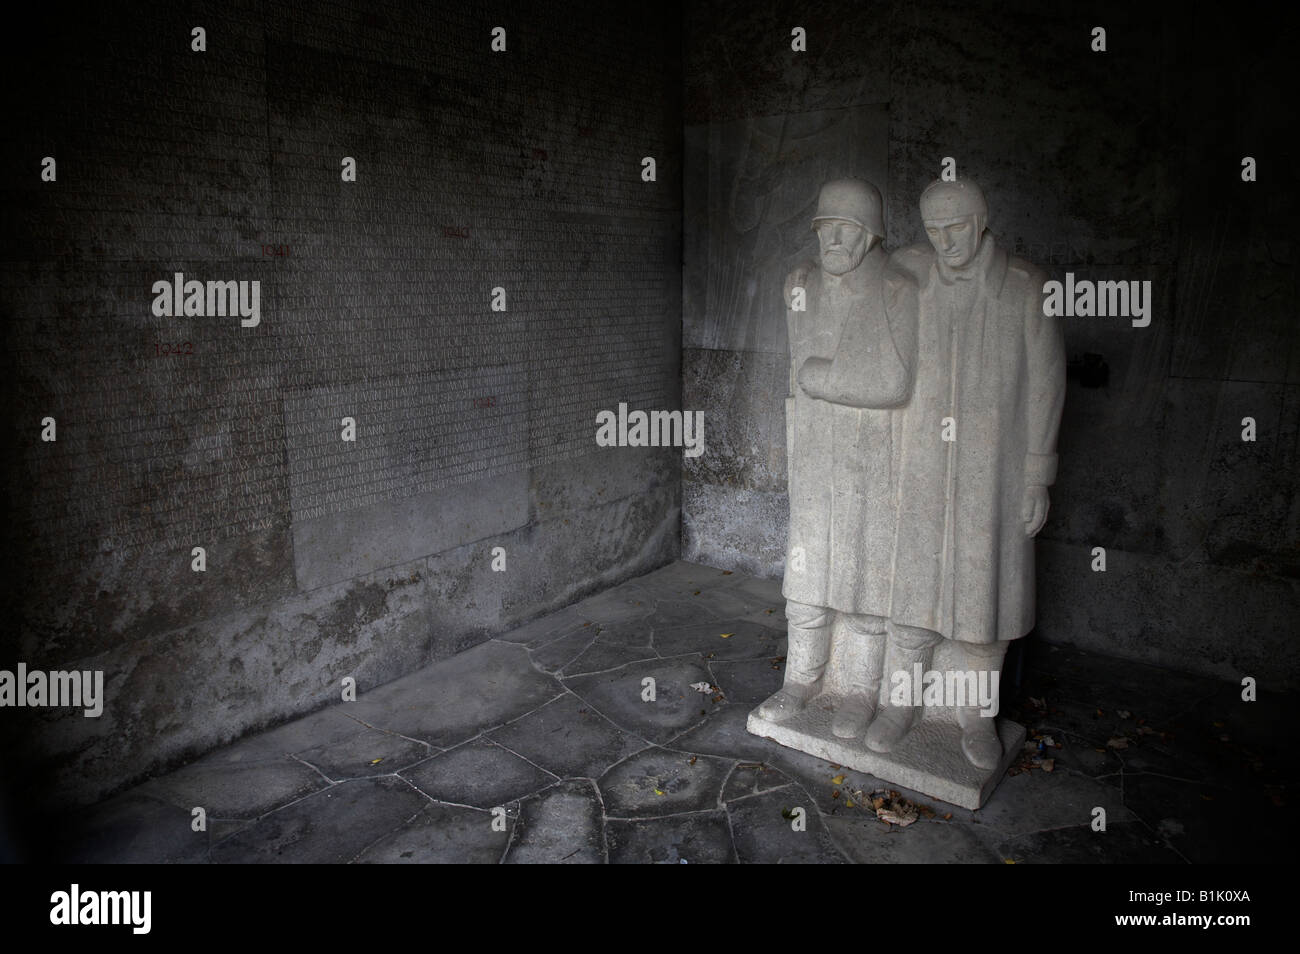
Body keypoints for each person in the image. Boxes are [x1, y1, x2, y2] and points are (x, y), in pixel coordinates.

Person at [864, 178, 1066, 769]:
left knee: (985, 596)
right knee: (912, 588)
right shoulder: (912, 275)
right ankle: (899, 705)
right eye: (933, 229)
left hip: (994, 470)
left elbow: (1047, 385)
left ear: (982, 222)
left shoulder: (1027, 287)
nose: (946, 240)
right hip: (921, 461)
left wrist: (1037, 475)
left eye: (957, 227)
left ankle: (975, 719)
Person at [757, 178, 916, 740]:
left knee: (866, 576)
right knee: (807, 570)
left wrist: (823, 379)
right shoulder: (799, 283)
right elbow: (794, 369)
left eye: (846, 229)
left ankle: (860, 692)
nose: (833, 238)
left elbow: (896, 381)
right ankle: (800, 680)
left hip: (872, 456)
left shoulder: (897, 290)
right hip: (815, 453)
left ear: (872, 235)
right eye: (826, 228)